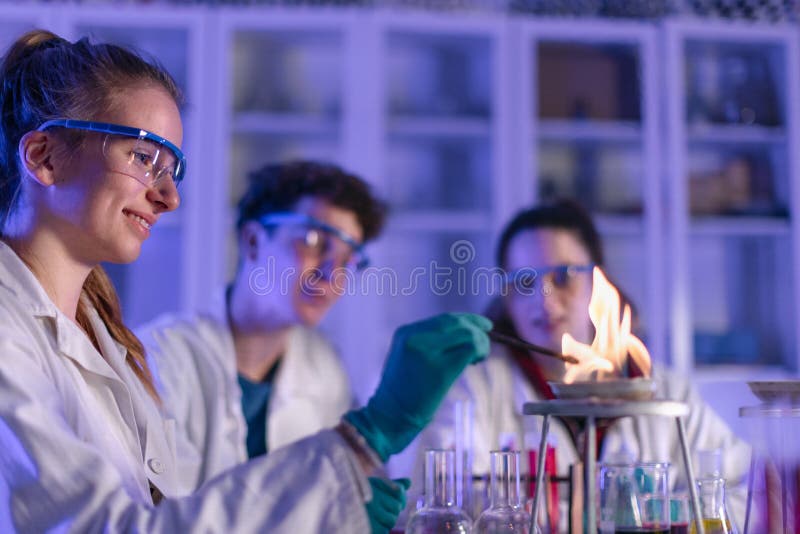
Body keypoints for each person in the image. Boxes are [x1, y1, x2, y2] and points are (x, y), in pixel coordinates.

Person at [0, 29, 491, 532]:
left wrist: (330, 509)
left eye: (172, 169)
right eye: (143, 158)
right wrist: (363, 441)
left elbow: (175, 514)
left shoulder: (107, 345)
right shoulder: (18, 332)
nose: (169, 197)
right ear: (43, 155)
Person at [406, 199, 750, 527]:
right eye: (524, 282)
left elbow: (741, 491)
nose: (545, 301)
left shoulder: (669, 392)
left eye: (563, 276)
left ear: (599, 282)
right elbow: (433, 506)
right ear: (506, 298)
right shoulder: (472, 389)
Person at [139, 160, 387, 488]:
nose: (331, 274)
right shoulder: (160, 358)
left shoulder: (327, 370)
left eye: (348, 260)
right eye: (314, 241)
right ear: (253, 241)